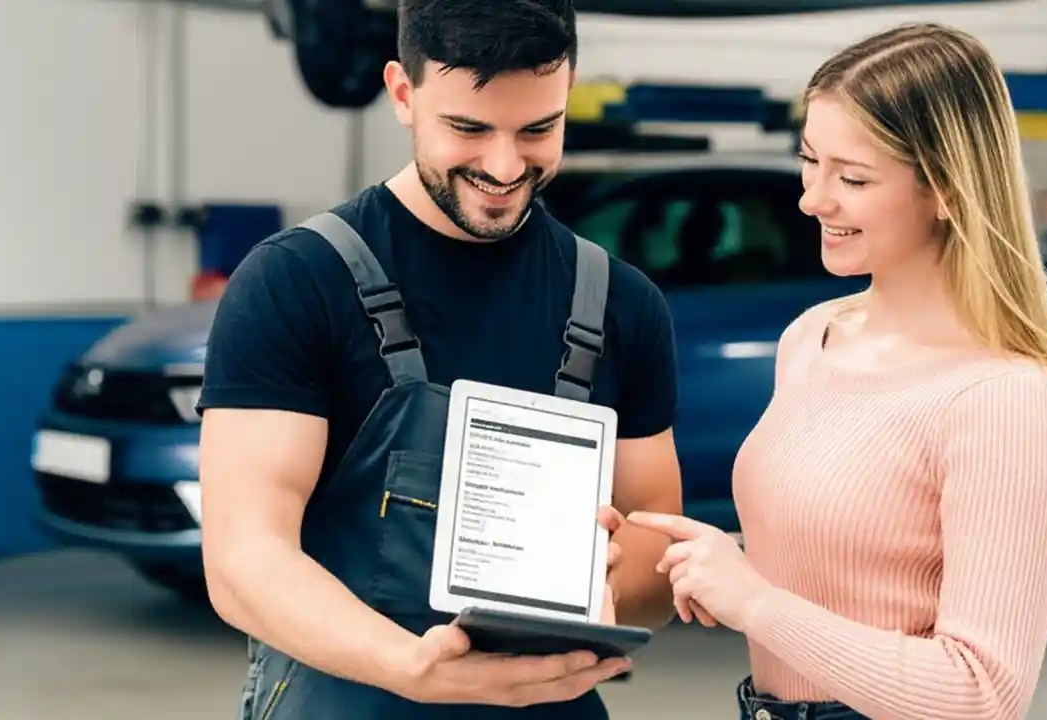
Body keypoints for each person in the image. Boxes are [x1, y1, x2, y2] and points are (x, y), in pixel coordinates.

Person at [195, 1, 682, 718]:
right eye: (469, 128)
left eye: (538, 129)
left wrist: (611, 579)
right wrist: (409, 665)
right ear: (402, 93)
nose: (504, 165)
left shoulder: (621, 304)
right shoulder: (297, 282)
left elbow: (658, 553)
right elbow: (244, 560)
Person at [617, 22, 1047, 720]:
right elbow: (857, 564)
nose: (813, 199)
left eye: (852, 177)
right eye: (810, 160)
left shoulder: (1004, 398)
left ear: (944, 189)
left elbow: (980, 694)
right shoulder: (812, 336)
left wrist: (756, 602)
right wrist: (715, 560)